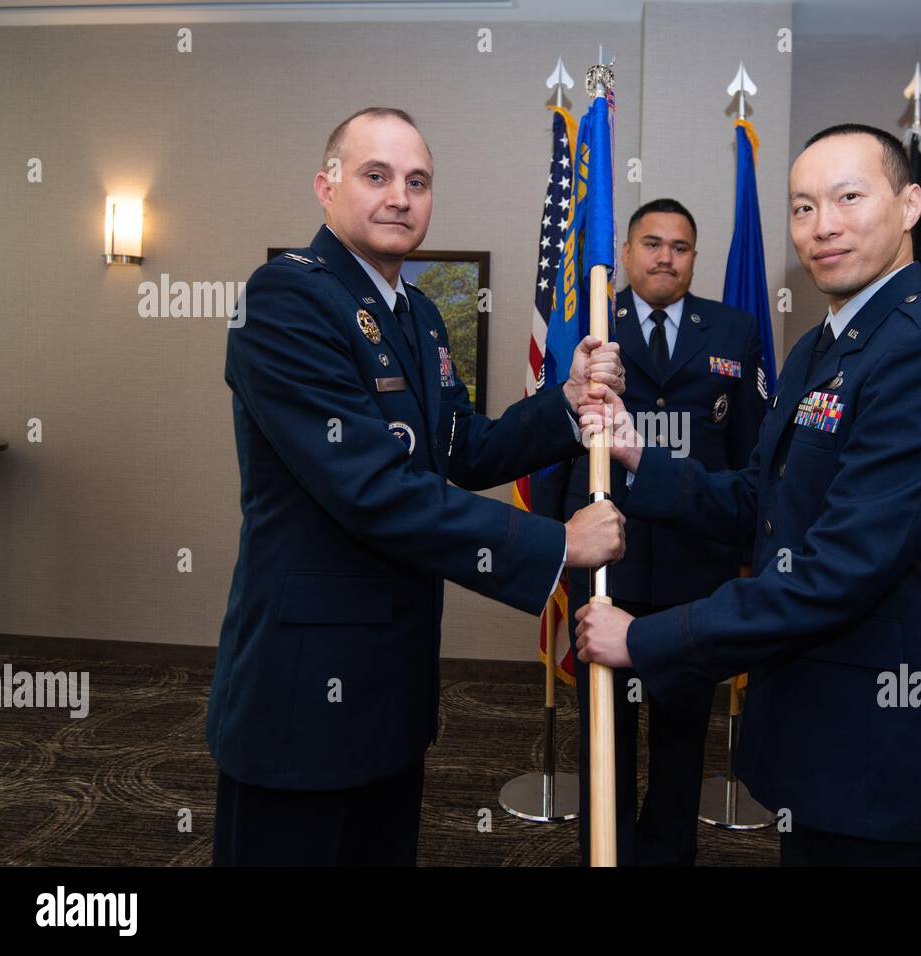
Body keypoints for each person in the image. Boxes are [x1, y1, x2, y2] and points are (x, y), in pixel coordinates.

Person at [207, 106, 627, 866]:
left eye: (418, 181)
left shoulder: (421, 312)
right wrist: (556, 543)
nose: (400, 196)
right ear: (325, 188)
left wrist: (563, 407)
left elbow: (460, 446)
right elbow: (371, 487)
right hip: (303, 691)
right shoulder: (284, 300)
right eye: (377, 175)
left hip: (393, 684)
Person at [575, 123, 921, 866]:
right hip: (816, 729)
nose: (822, 226)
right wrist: (638, 452)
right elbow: (756, 502)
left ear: (908, 206)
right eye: (802, 207)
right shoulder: (820, 347)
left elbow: (837, 570)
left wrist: (642, 639)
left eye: (848, 197)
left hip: (881, 754)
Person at [533, 198, 767, 865]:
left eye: (681, 246)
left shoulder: (734, 329)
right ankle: (605, 854)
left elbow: (749, 454)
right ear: (628, 252)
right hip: (609, 563)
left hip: (698, 568)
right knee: (603, 734)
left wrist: (751, 554)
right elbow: (557, 444)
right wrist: (553, 544)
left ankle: (667, 858)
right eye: (652, 243)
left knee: (680, 737)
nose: (666, 256)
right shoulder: (586, 331)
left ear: (695, 256)